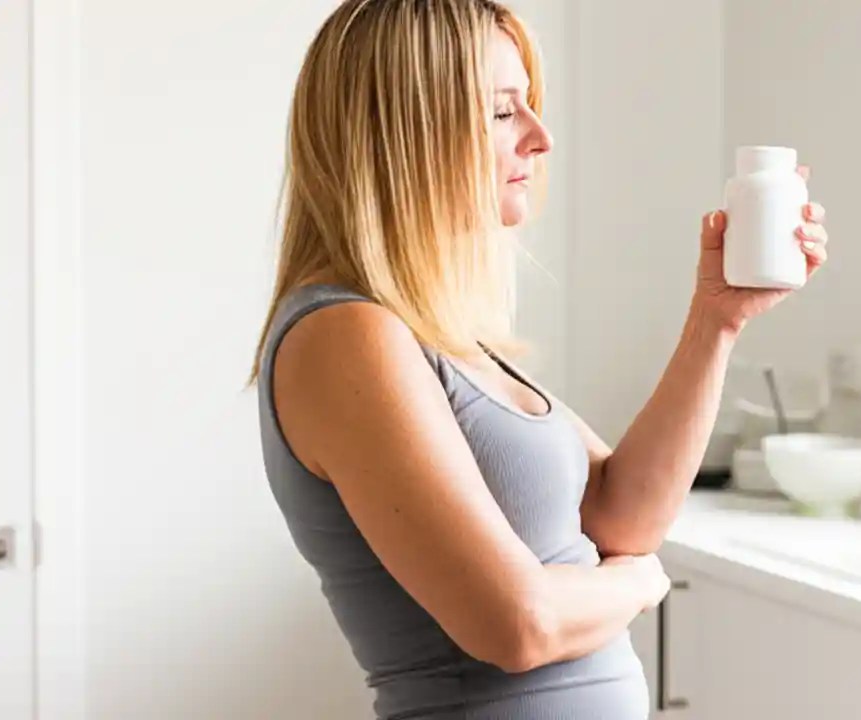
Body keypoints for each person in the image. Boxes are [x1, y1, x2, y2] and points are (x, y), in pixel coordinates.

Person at [249, 1, 828, 717]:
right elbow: (519, 625)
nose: (541, 137)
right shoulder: (345, 336)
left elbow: (622, 517)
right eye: (501, 112)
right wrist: (640, 584)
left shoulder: (439, 332)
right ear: (406, 133)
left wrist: (717, 321)